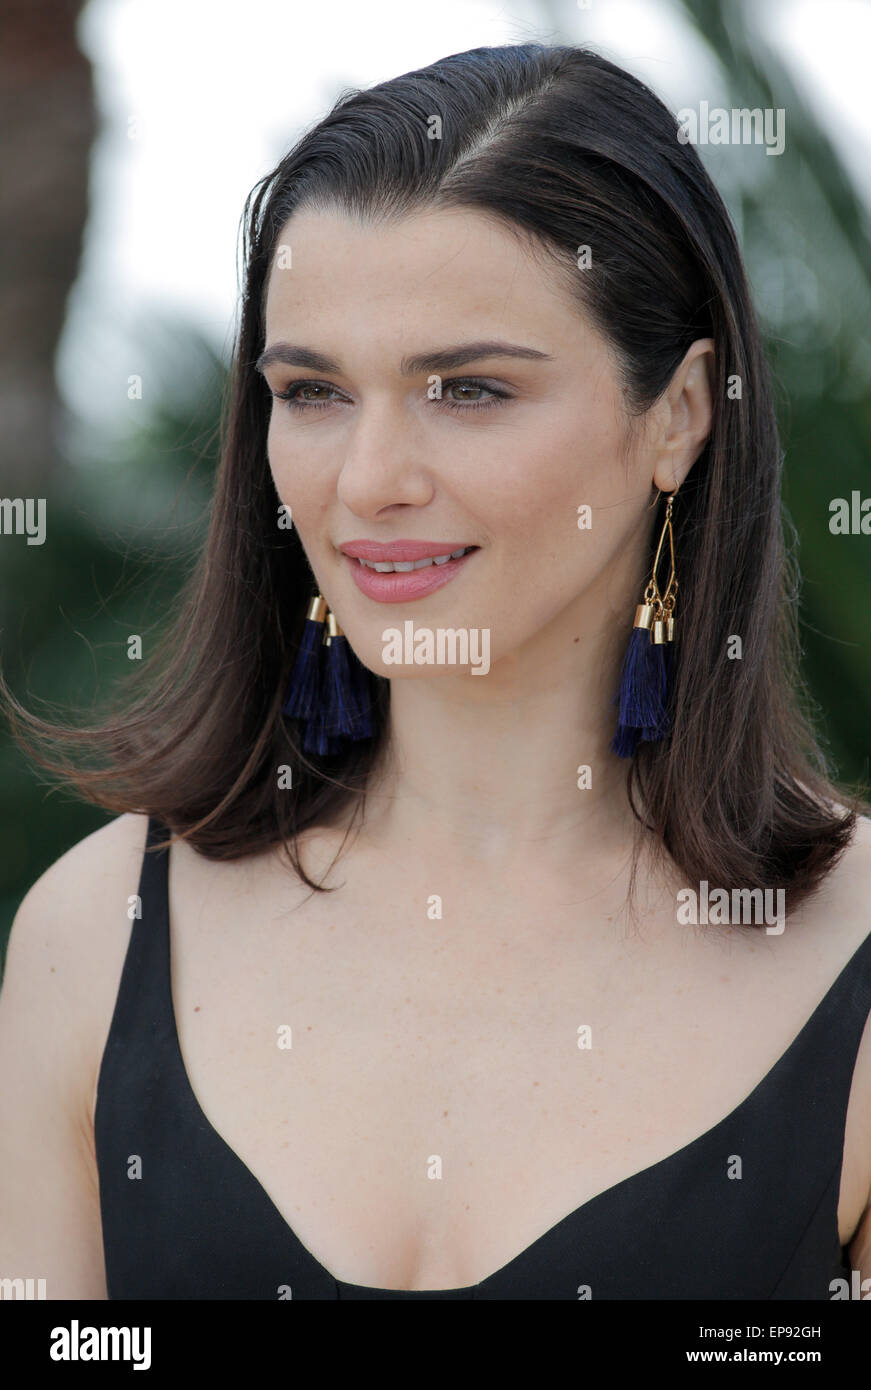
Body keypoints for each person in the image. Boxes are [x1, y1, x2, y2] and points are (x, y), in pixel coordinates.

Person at [1, 42, 870, 1301]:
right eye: (313, 391)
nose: (368, 481)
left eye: (466, 388)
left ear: (679, 412)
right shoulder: (95, 936)